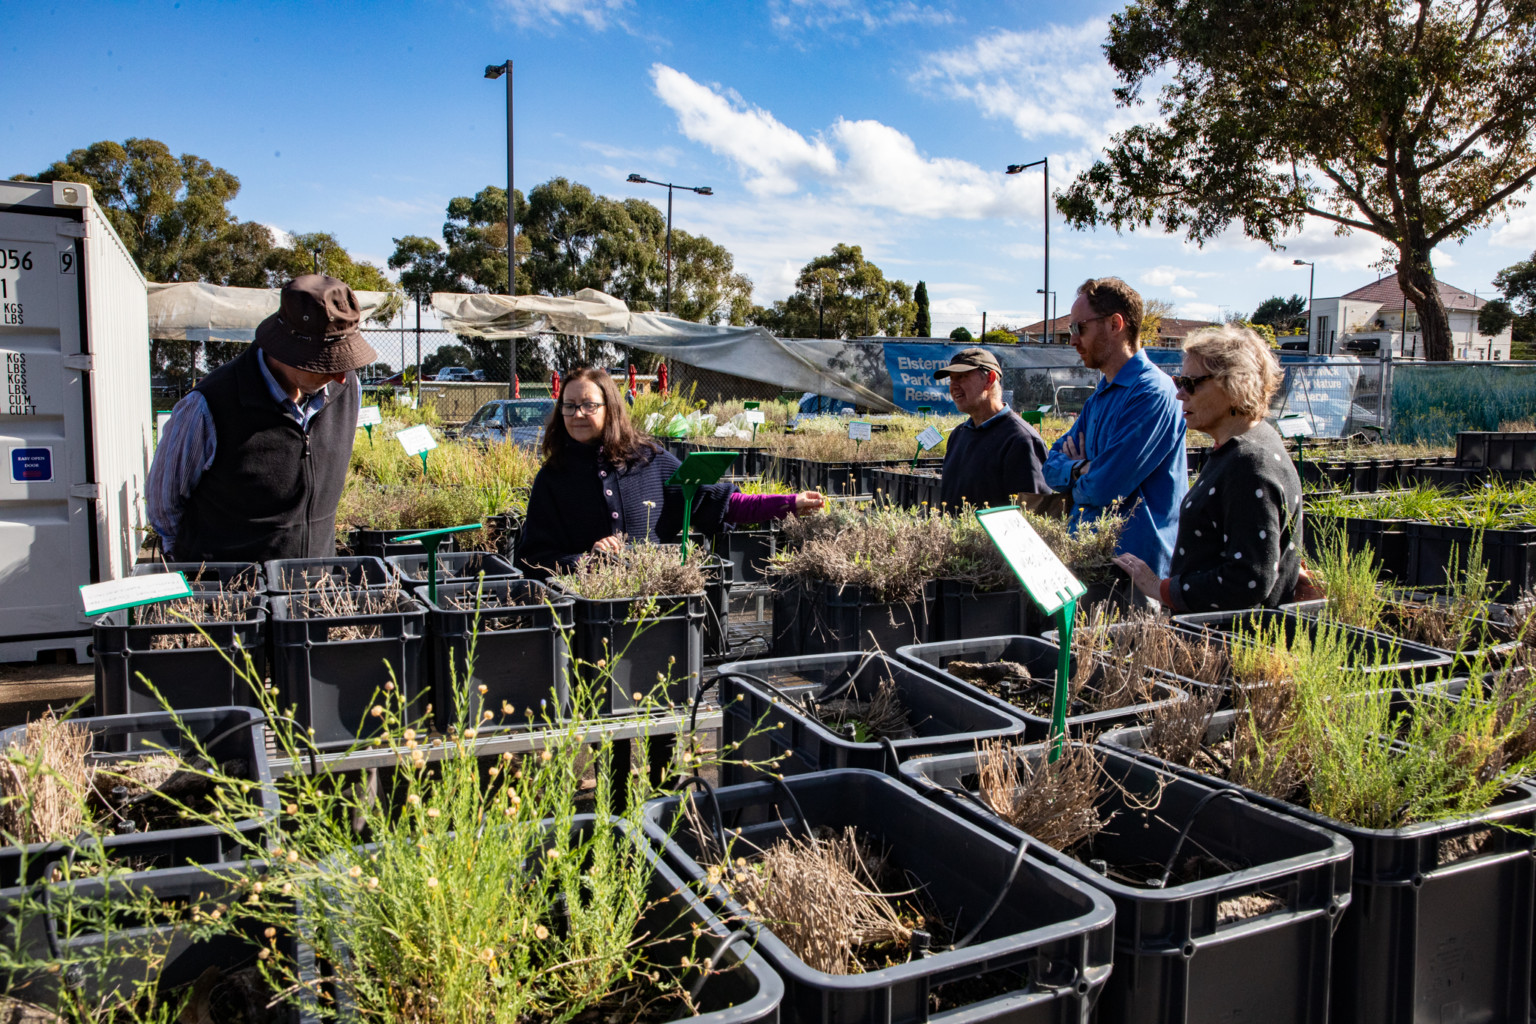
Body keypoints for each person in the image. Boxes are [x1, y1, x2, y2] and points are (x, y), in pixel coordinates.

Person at [147, 275, 377, 562]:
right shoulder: (208, 404)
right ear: (287, 351)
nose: (340, 375)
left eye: (346, 362)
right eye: (327, 362)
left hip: (312, 585)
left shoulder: (346, 388)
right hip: (231, 594)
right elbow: (164, 507)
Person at [518, 367, 824, 577]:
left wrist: (788, 503)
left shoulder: (649, 460)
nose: (578, 414)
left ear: (610, 409)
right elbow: (534, 558)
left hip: (654, 600)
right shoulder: (553, 477)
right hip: (588, 613)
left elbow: (719, 502)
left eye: (588, 405)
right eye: (569, 406)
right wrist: (587, 561)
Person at [1113, 325, 1303, 611]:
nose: (1180, 394)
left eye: (1190, 383)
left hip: (1229, 644)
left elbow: (1249, 578)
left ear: (1235, 384)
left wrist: (1160, 588)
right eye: (1179, 381)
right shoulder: (1243, 446)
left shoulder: (1249, 461)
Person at [1043, 277, 1188, 580]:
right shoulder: (1102, 394)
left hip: (1135, 577)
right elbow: (1050, 466)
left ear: (1115, 324)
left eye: (1078, 328)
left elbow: (1103, 488)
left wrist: (1079, 475)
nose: (1072, 340)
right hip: (1092, 563)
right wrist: (1082, 467)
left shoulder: (1152, 393)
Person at [932, 348, 1049, 510]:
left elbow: (1032, 515)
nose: (953, 386)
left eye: (962, 377)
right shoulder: (958, 435)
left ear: (989, 379)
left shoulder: (1021, 440)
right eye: (951, 379)